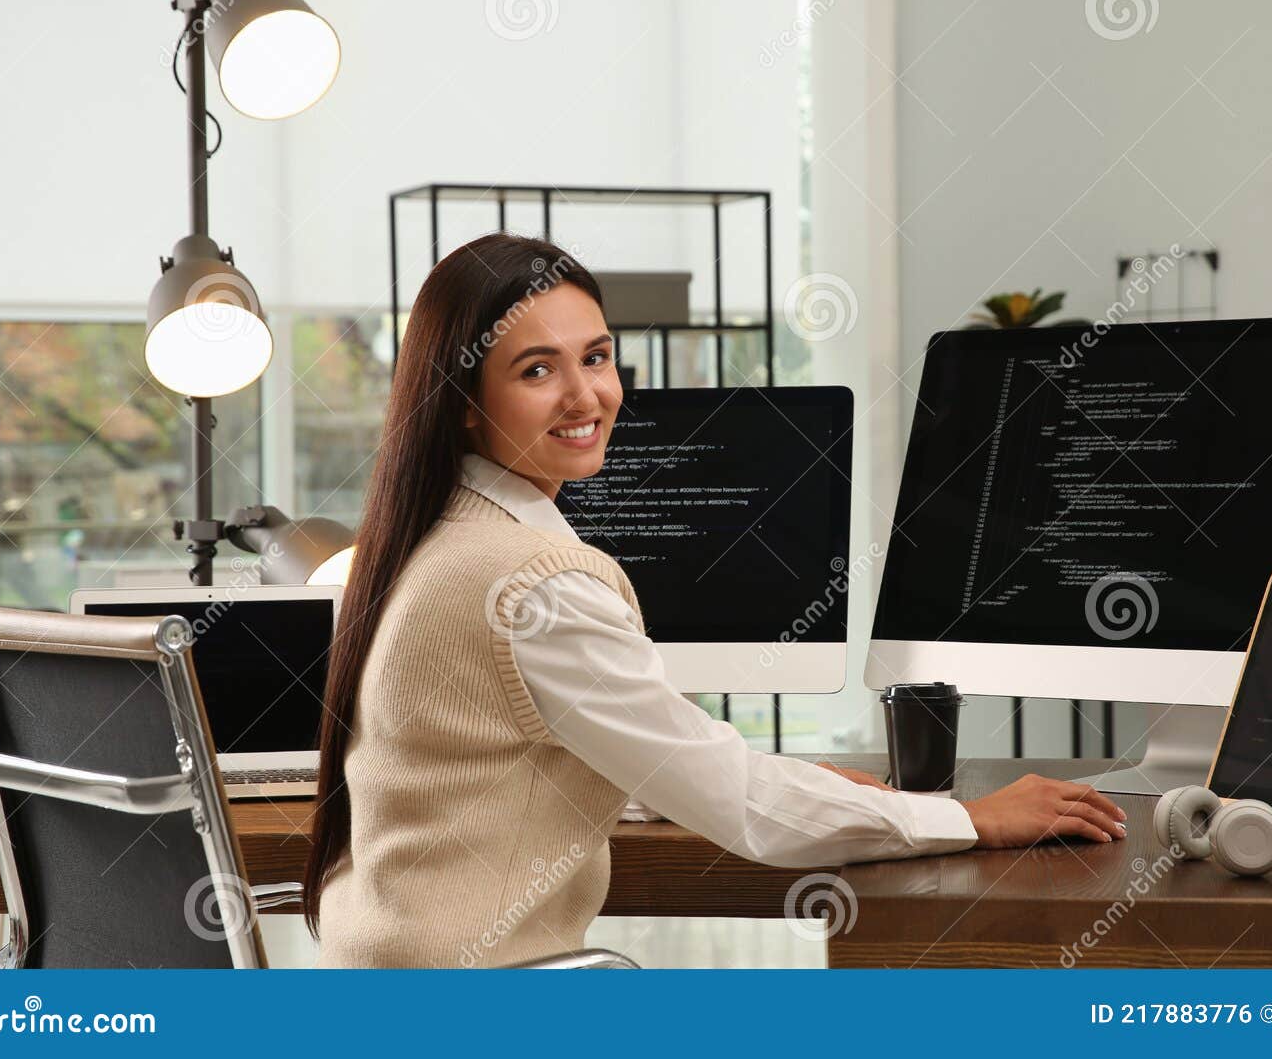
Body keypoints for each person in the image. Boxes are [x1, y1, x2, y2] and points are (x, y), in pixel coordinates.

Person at [307, 233, 1127, 968]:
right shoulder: (538, 584)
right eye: (537, 370)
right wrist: (971, 819)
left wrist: (790, 784)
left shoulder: (424, 538)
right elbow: (741, 807)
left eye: (596, 357)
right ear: (462, 402)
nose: (586, 396)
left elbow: (531, 759)